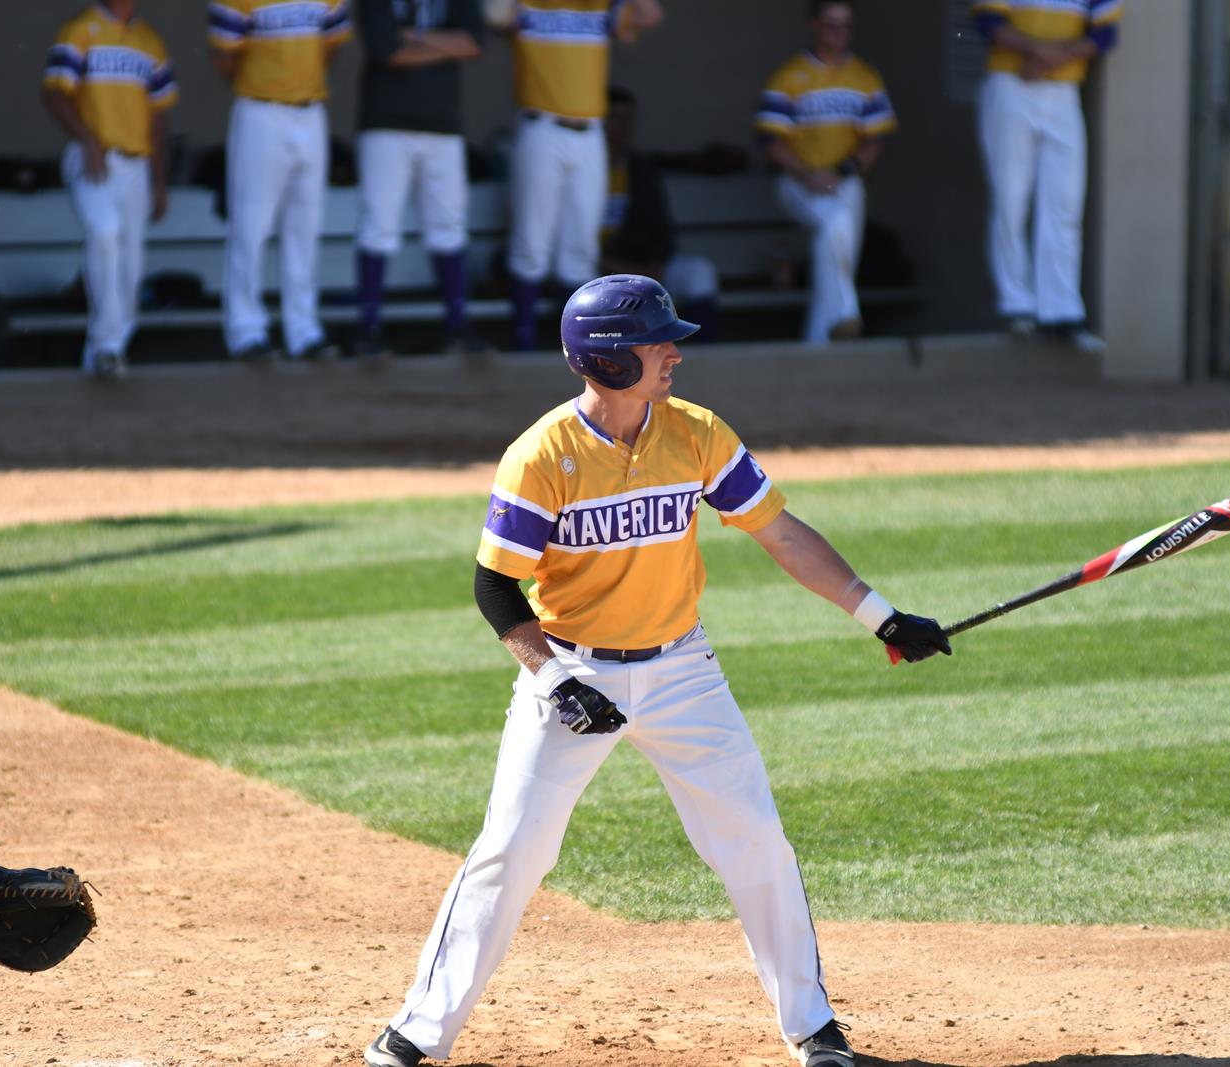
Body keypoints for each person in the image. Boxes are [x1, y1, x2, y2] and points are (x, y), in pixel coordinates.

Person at [361, 274, 951, 1067]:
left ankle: (813, 1027)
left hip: (683, 671)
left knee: (755, 841)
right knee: (513, 847)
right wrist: (553, 680)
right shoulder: (543, 455)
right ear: (606, 361)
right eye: (657, 341)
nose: (675, 352)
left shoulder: (696, 432)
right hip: (570, 672)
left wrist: (879, 613)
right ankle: (415, 1031)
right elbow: (494, 584)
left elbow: (779, 533)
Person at [484, 0, 664, 351]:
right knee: (532, 243)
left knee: (580, 246)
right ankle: (523, 342)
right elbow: (492, 16)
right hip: (541, 126)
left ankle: (574, 348)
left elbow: (649, 15)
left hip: (591, 132)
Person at [973, 0, 1122, 352]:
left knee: (1064, 203)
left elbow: (1105, 34)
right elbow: (987, 22)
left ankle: (1061, 311)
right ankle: (1017, 305)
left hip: (1063, 89)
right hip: (1011, 83)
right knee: (1011, 197)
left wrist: (1054, 57)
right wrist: (1036, 50)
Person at [208, 0, 351, 362]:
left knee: (306, 223)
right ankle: (246, 330)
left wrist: (297, 83)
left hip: (310, 110)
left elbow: (330, 44)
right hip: (261, 111)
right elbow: (224, 59)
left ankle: (303, 329)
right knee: (251, 225)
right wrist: (266, 84)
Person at [43, 0, 178, 381]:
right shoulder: (81, 28)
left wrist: (160, 181)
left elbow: (159, 115)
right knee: (104, 232)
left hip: (136, 166)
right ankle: (106, 345)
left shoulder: (150, 40)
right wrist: (87, 140)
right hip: (92, 157)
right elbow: (54, 93)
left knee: (132, 264)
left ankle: (109, 351)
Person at [352, 0, 485, 358]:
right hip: (385, 123)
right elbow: (388, 50)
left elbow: (474, 44)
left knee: (449, 224)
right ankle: (369, 329)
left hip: (443, 125)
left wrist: (417, 37)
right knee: (379, 225)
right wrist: (445, 45)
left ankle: (457, 326)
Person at [757, 0, 895, 345]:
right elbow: (772, 142)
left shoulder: (865, 76)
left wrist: (844, 170)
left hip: (845, 181)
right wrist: (809, 175)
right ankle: (847, 315)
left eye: (846, 26)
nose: (839, 33)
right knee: (836, 228)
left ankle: (819, 340)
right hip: (797, 183)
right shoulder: (788, 76)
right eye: (832, 25)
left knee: (833, 249)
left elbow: (875, 139)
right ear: (815, 25)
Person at [600, 84, 721, 340]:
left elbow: (660, 228)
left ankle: (704, 357)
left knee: (699, 272)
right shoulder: (578, 169)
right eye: (613, 119)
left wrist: (656, 263)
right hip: (592, 274)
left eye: (626, 120)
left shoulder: (640, 168)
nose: (619, 127)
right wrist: (611, 266)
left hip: (638, 269)